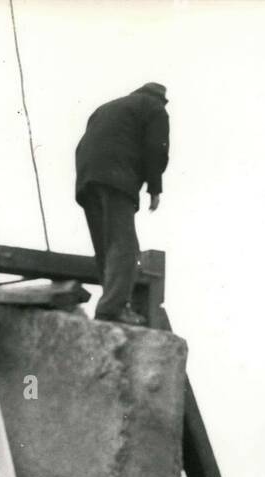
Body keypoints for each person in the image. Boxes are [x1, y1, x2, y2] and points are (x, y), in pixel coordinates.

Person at [75, 82, 169, 325]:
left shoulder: (107, 107)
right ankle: (112, 309)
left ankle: (112, 302)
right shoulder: (154, 108)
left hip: (87, 178)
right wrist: (155, 188)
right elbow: (156, 148)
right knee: (125, 246)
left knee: (105, 246)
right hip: (117, 176)